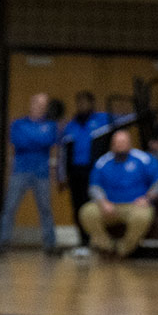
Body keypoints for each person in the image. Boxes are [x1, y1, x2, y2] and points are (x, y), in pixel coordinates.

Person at [79, 129, 158, 258]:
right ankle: (107, 247)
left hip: (135, 205)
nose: (120, 146)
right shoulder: (103, 162)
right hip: (109, 205)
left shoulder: (143, 159)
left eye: (123, 142)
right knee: (87, 212)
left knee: (142, 216)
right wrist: (103, 202)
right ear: (112, 145)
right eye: (117, 143)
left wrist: (147, 198)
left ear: (130, 144)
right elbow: (94, 186)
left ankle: (123, 250)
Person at [0, 93, 59, 254]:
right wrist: (38, 140)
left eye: (43, 105)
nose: (39, 107)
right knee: (10, 207)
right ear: (31, 104)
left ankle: (50, 244)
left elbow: (48, 141)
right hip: (20, 171)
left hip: (42, 173)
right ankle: (3, 242)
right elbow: (19, 142)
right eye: (37, 103)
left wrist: (32, 139)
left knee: (45, 209)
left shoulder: (51, 125)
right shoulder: (18, 124)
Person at [59, 91, 112, 254]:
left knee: (95, 205)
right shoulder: (70, 126)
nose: (82, 105)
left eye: (85, 102)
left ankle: (99, 240)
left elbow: (127, 118)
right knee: (78, 207)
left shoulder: (103, 120)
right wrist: (62, 175)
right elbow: (63, 152)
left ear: (92, 103)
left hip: (95, 171)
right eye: (79, 102)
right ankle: (83, 241)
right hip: (76, 172)